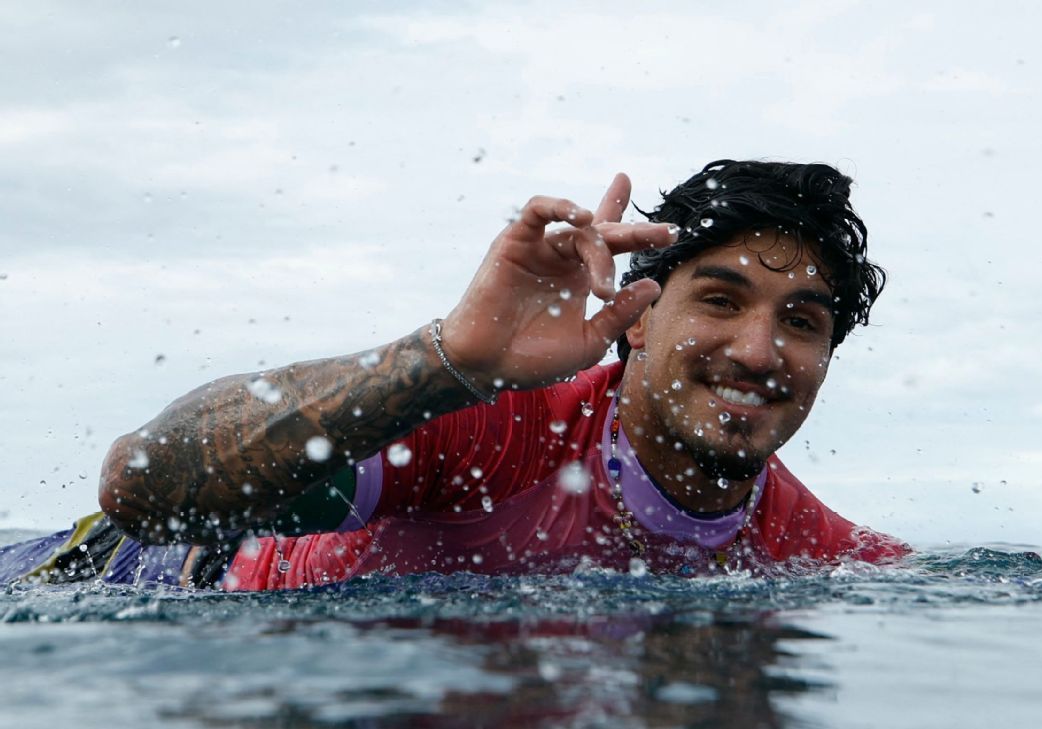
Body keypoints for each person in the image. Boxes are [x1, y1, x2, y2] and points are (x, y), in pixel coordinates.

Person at [0, 159, 909, 590]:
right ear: (635, 321)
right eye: (719, 299)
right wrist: (451, 362)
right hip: (142, 589)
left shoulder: (822, 552)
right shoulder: (498, 431)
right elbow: (142, 485)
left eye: (801, 321)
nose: (758, 350)